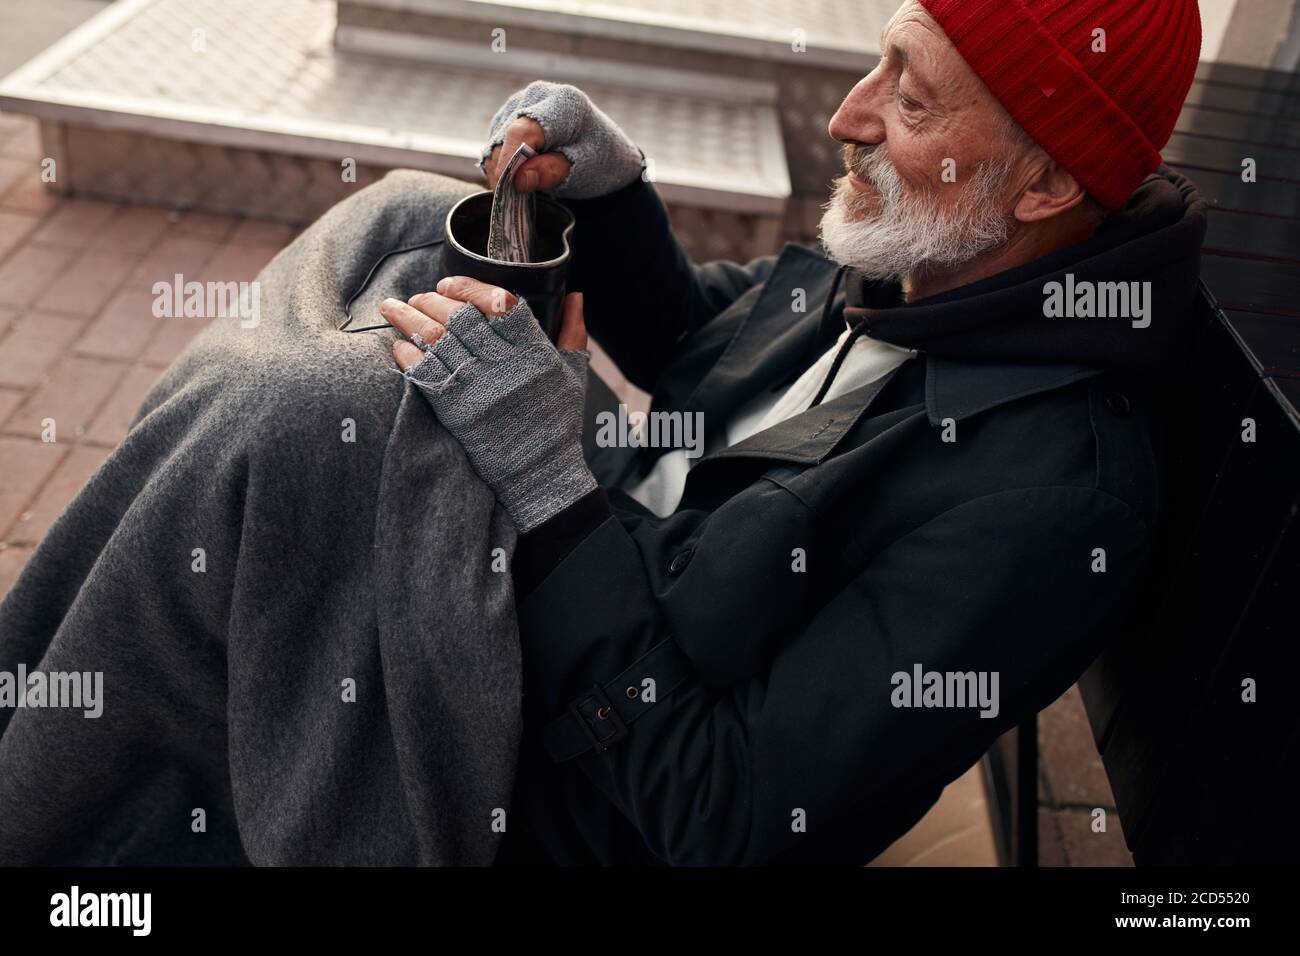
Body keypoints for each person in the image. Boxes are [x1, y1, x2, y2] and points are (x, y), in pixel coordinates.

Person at [381, 0, 1207, 864]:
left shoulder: (1052, 507)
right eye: (881, 61)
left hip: (562, 786)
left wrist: (548, 489)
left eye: (913, 103)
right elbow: (708, 352)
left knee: (304, 429)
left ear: (1044, 184)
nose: (847, 116)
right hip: (570, 564)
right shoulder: (939, 259)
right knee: (398, 231)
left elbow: (727, 814)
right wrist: (608, 191)